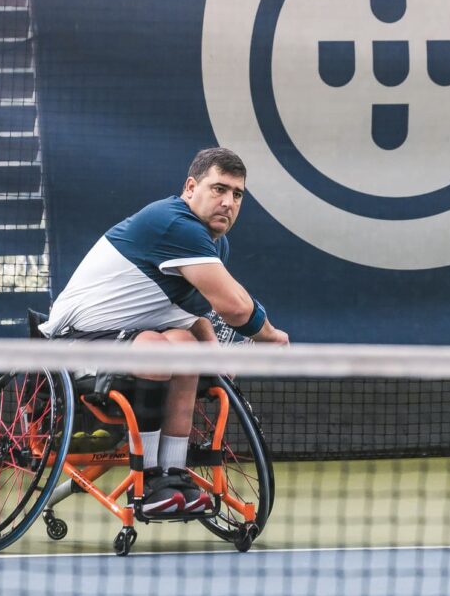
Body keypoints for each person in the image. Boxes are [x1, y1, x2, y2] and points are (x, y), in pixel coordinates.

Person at [41, 147, 289, 516]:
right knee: (159, 348)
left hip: (126, 337)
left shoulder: (214, 243)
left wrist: (214, 354)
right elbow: (234, 306)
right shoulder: (174, 223)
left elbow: (191, 314)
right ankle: (150, 480)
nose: (228, 202)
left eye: (237, 195)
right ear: (191, 187)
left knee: (184, 348)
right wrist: (269, 335)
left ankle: (174, 475)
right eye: (219, 189)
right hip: (71, 343)